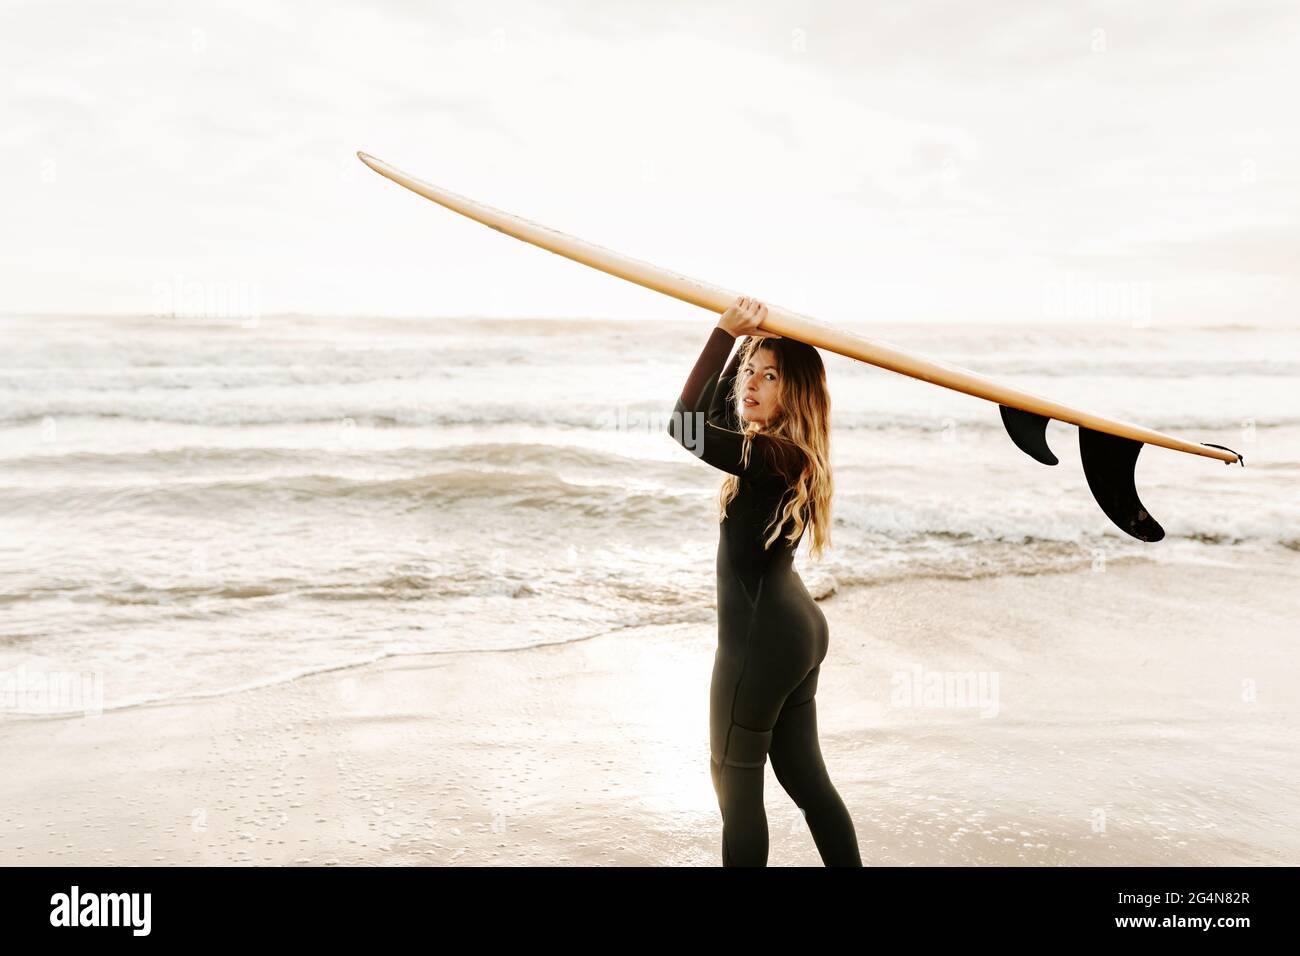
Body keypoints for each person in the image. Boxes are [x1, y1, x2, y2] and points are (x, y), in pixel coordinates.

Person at [667, 294, 862, 867]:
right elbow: (713, 419)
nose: (751, 384)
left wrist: (723, 335)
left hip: (761, 641)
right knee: (808, 785)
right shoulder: (788, 452)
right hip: (795, 631)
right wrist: (740, 349)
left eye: (768, 375)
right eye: (750, 373)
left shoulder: (773, 455)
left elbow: (685, 427)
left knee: (735, 783)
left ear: (792, 390)